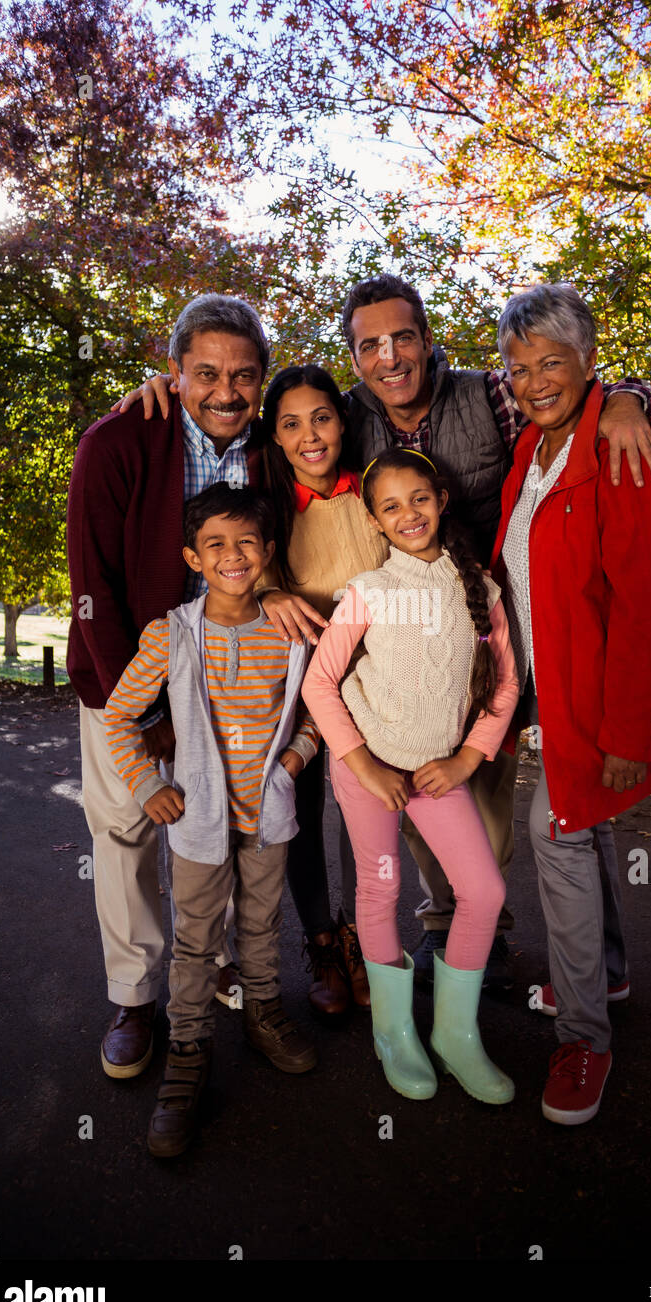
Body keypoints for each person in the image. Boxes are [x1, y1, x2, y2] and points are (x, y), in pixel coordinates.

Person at [113, 274, 651, 990]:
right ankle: (364, 944)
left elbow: (558, 384)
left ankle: (494, 937)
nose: (390, 356)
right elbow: (259, 423)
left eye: (403, 337)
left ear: (428, 340)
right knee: (346, 811)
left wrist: (629, 399)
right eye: (369, 345)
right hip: (350, 665)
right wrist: (167, 383)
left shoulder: (487, 392)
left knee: (491, 799)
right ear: (355, 359)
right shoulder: (340, 419)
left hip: (481, 628)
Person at [67, 293, 321, 1082]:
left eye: (244, 375)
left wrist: (275, 587)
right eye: (205, 372)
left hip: (237, 683)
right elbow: (93, 587)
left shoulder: (273, 449)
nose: (225, 391)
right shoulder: (117, 442)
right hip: (127, 681)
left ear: (263, 380)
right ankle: (135, 998)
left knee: (224, 834)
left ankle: (213, 971)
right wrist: (140, 714)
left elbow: (272, 545)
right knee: (129, 831)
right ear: (174, 374)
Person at [489, 283, 651, 1125]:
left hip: (600, 702)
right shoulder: (531, 449)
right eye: (520, 365)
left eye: (552, 362)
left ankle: (583, 1041)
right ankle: (606, 972)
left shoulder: (619, 452)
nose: (535, 380)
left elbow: (647, 602)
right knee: (584, 825)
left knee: (557, 831)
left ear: (588, 360)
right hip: (547, 691)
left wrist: (632, 730)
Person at [104, 483, 319, 1157]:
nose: (234, 556)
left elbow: (317, 709)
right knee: (196, 939)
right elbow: (118, 717)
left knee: (260, 923)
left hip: (267, 815)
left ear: (270, 552)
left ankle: (262, 1013)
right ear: (193, 557)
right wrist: (146, 785)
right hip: (198, 820)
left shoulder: (289, 630)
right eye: (217, 545)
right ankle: (189, 1052)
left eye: (247, 542)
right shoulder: (173, 633)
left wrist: (293, 759)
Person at [302, 448, 519, 1104]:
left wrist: (466, 758)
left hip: (437, 771)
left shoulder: (479, 587)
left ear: (442, 499)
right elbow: (319, 682)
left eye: (419, 499)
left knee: (483, 892)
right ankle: (395, 1031)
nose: (408, 514)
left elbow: (507, 683)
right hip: (368, 766)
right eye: (390, 506)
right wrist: (364, 764)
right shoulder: (370, 592)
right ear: (374, 521)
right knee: (381, 890)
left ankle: (456, 1034)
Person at [255, 363, 388, 1017]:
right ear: (274, 437)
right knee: (300, 814)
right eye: (290, 423)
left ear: (342, 421)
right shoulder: (270, 510)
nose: (310, 435)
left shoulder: (371, 490)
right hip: (303, 685)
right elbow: (241, 574)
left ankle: (364, 941)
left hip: (377, 685)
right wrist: (270, 589)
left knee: (363, 821)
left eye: (322, 417)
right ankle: (321, 945)